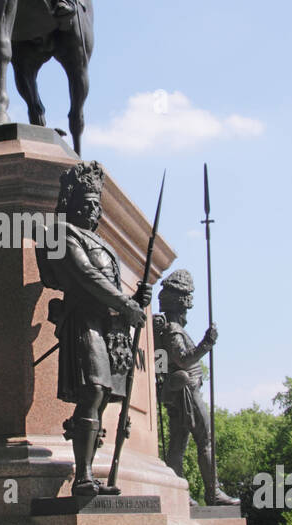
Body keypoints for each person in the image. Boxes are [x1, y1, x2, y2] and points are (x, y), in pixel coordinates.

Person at [37, 161, 150, 495]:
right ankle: (82, 477)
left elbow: (106, 281)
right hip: (83, 321)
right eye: (86, 202)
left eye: (96, 203)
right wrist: (125, 302)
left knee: (101, 399)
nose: (93, 208)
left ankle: (88, 474)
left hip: (108, 326)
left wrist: (134, 298)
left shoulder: (103, 243)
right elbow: (85, 274)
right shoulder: (62, 233)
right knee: (93, 390)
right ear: (71, 204)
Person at [153, 270, 239, 507]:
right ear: (181, 304)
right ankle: (214, 493)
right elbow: (182, 360)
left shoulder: (166, 330)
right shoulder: (172, 330)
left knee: (178, 444)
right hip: (187, 393)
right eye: (186, 301)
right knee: (205, 441)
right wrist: (206, 343)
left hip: (180, 393)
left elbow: (161, 363)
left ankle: (178, 491)